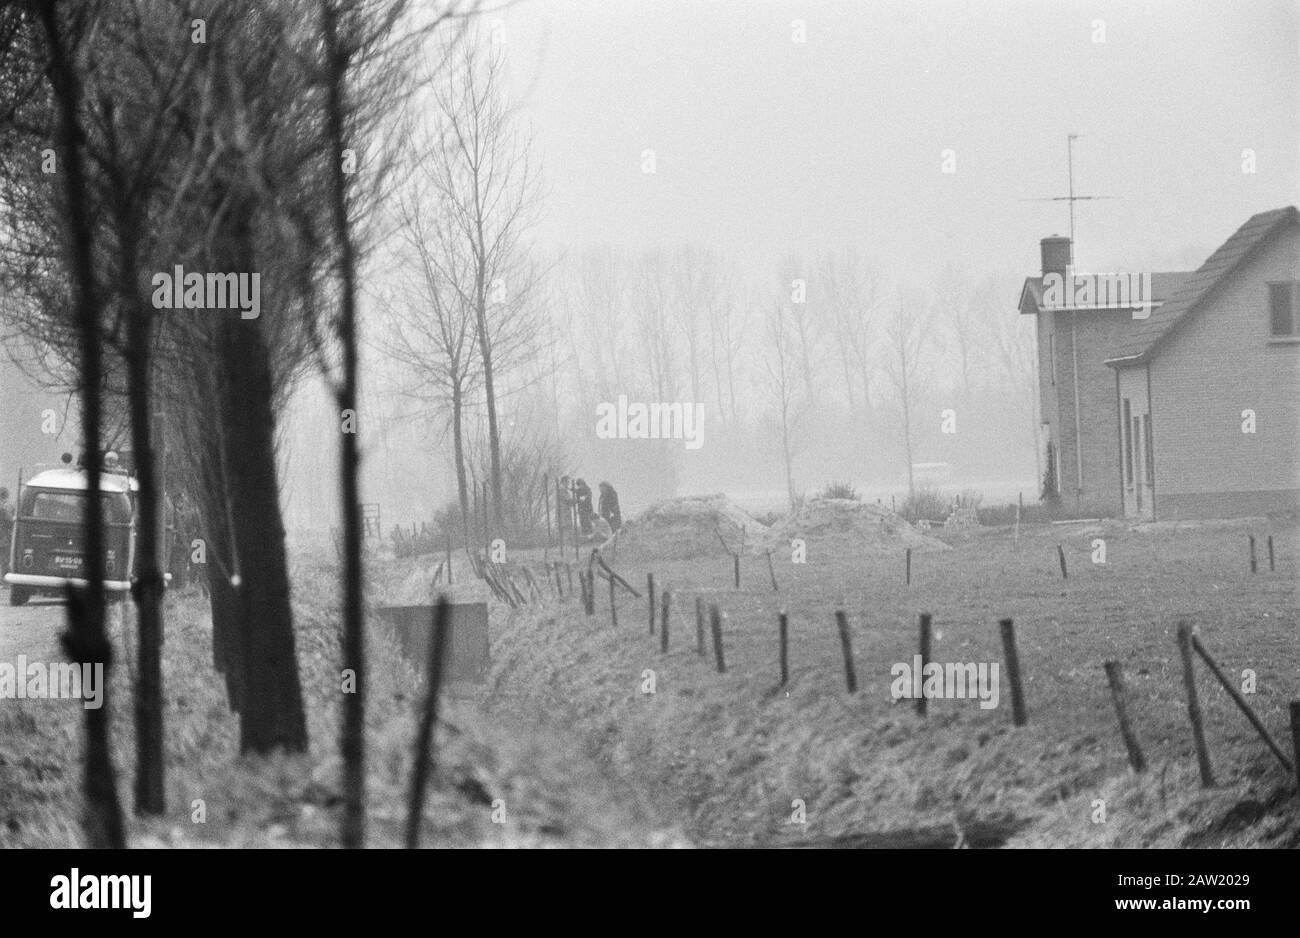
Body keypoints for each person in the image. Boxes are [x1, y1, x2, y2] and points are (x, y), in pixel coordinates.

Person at [0, 488, 14, 579]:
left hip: (3, 536)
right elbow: (10, 521)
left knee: (4, 559)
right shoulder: (7, 507)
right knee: (5, 559)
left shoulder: (5, 507)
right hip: (4, 537)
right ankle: (5, 579)